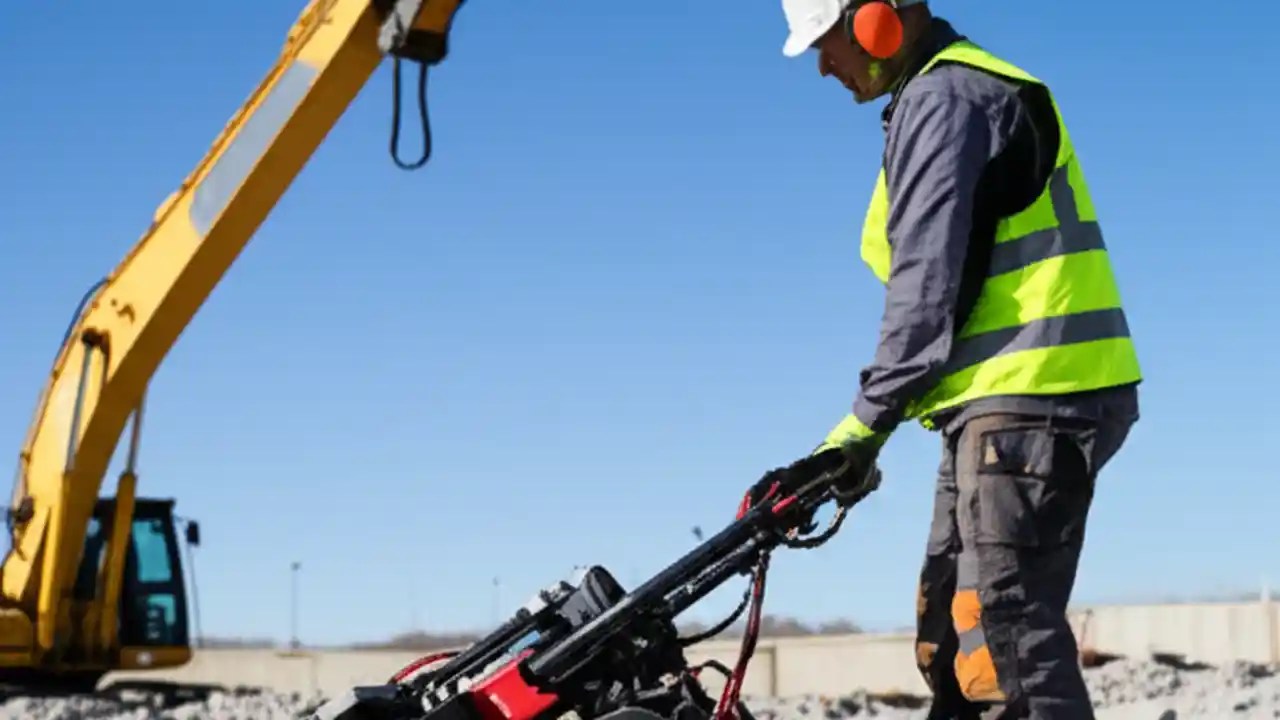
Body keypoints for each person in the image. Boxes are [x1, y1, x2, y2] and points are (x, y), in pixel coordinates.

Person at [750, 2, 1144, 718]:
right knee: (951, 641)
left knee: (1005, 642)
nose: (822, 64)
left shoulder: (948, 99)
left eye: (827, 41)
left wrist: (854, 433)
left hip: (1031, 396)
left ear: (875, 18)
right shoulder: (931, 100)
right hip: (996, 405)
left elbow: (924, 294)